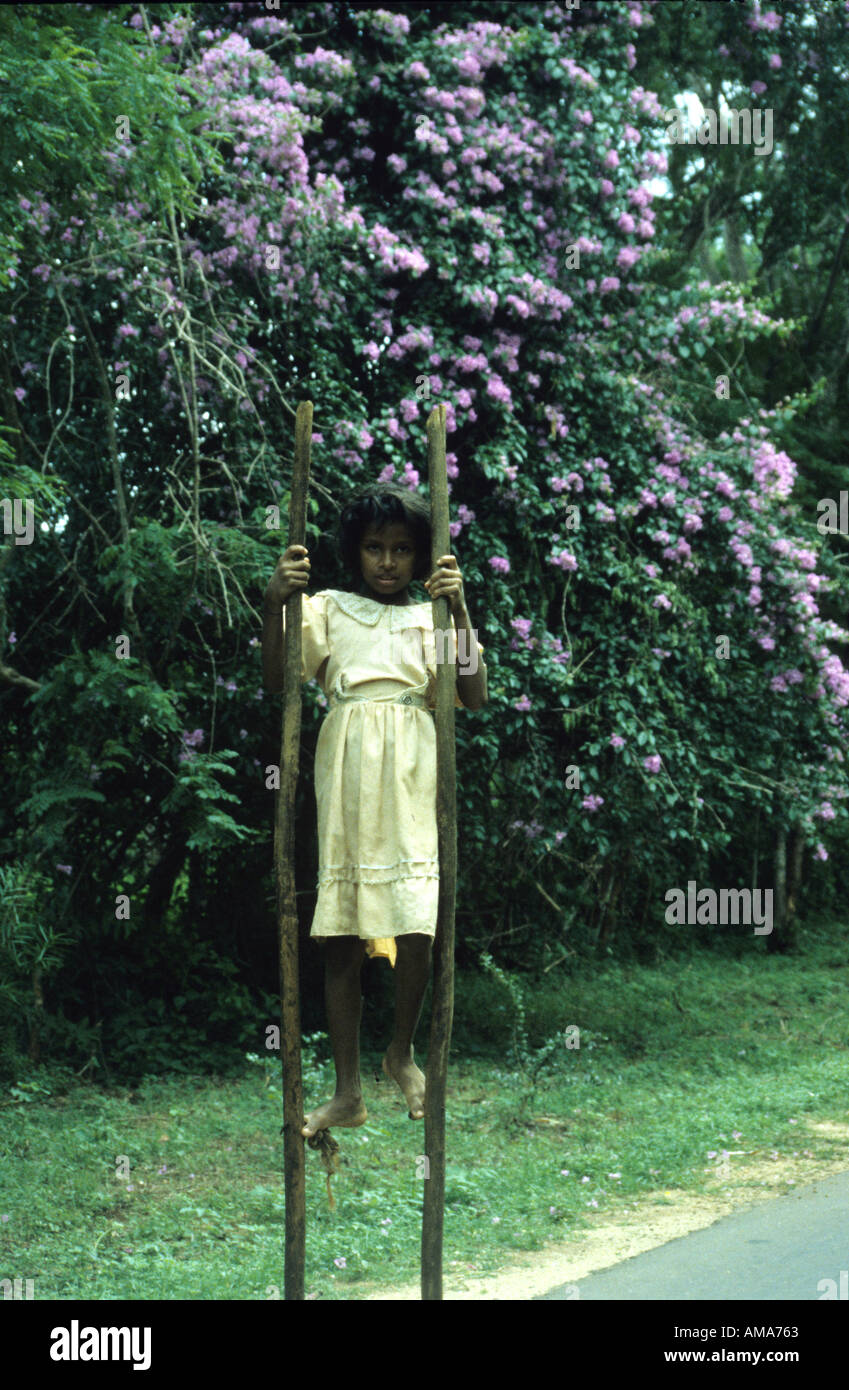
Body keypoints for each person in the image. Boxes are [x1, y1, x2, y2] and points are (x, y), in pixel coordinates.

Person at [262, 482, 487, 1137]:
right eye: (373, 548)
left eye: (401, 550)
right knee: (342, 934)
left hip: (414, 772)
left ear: (420, 558)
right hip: (348, 775)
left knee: (417, 919)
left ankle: (400, 1053)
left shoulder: (433, 617)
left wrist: (460, 605)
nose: (386, 562)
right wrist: (274, 603)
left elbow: (473, 694)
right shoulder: (327, 607)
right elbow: (278, 679)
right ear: (354, 552)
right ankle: (347, 1090)